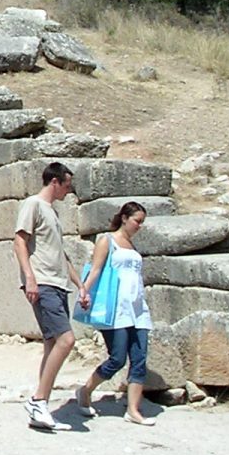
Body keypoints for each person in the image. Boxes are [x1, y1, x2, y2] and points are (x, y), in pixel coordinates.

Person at [14, 161, 89, 432]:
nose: (69, 192)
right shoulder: (33, 205)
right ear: (55, 182)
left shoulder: (53, 213)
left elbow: (60, 254)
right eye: (67, 186)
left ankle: (41, 405)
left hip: (57, 284)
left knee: (51, 343)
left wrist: (79, 284)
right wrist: (30, 278)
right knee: (66, 339)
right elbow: (20, 241)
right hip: (42, 282)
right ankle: (38, 400)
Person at [74, 202, 157, 426]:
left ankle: (133, 410)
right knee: (117, 358)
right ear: (124, 218)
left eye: (142, 222)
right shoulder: (107, 241)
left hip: (137, 308)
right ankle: (85, 391)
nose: (140, 226)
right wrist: (84, 292)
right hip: (116, 309)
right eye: (137, 221)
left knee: (139, 360)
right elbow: (96, 269)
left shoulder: (132, 245)